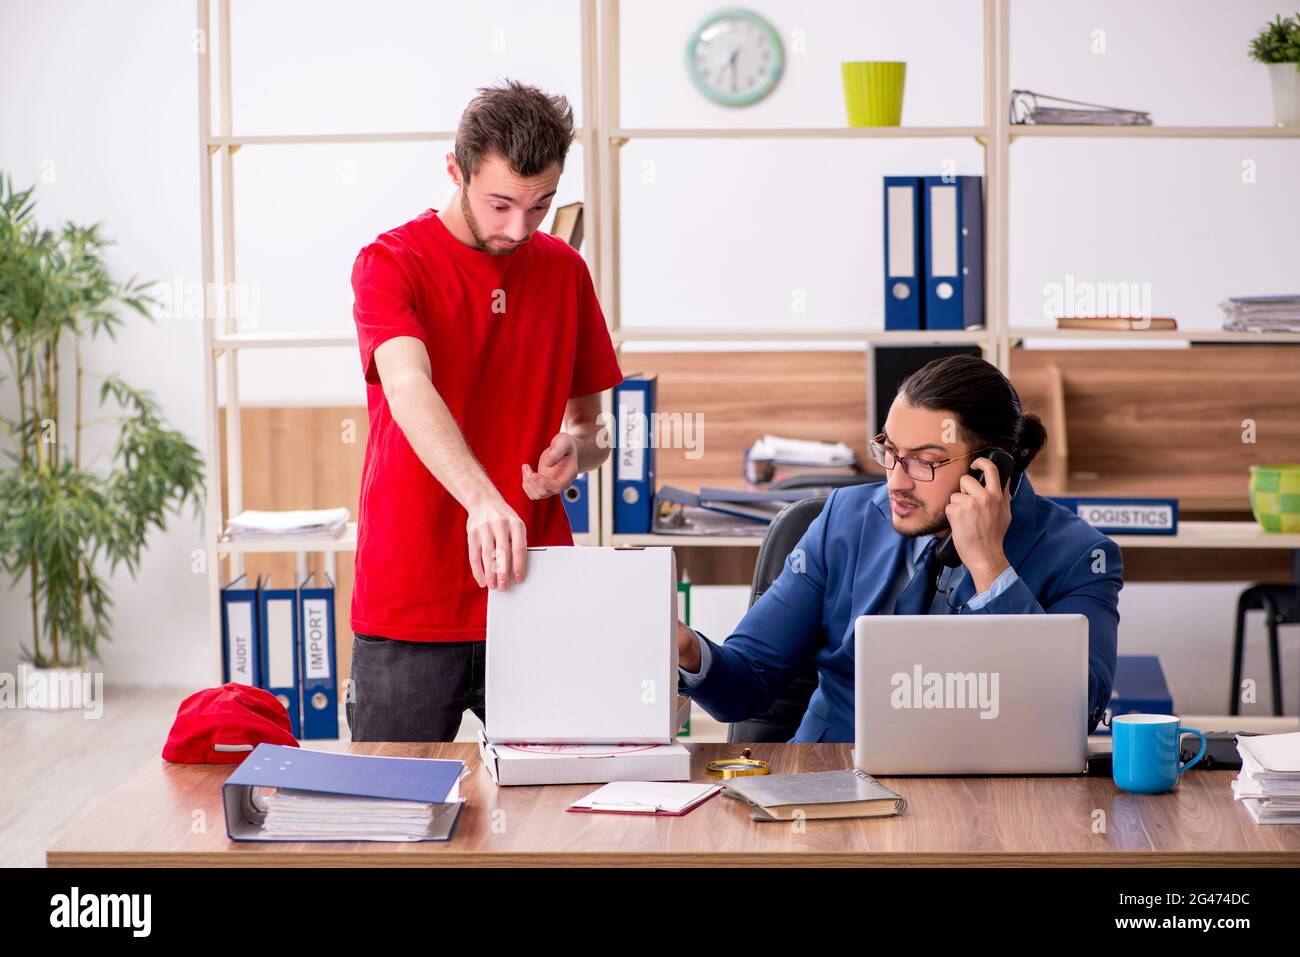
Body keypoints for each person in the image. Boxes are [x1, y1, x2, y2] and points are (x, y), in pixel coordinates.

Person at [346, 80, 623, 742]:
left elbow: (594, 428)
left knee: (556, 815)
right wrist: (484, 498)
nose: (518, 228)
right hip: (409, 600)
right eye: (500, 203)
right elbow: (409, 385)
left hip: (534, 591)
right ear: (455, 170)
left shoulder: (563, 271)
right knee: (394, 819)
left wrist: (574, 453)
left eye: (540, 206)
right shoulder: (390, 264)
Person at [675, 354, 1123, 742]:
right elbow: (747, 685)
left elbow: (1073, 714)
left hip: (986, 796)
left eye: (924, 462)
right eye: (890, 450)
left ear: (993, 466)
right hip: (828, 778)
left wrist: (990, 567)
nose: (896, 480)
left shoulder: (1080, 557)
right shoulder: (843, 519)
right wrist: (691, 652)